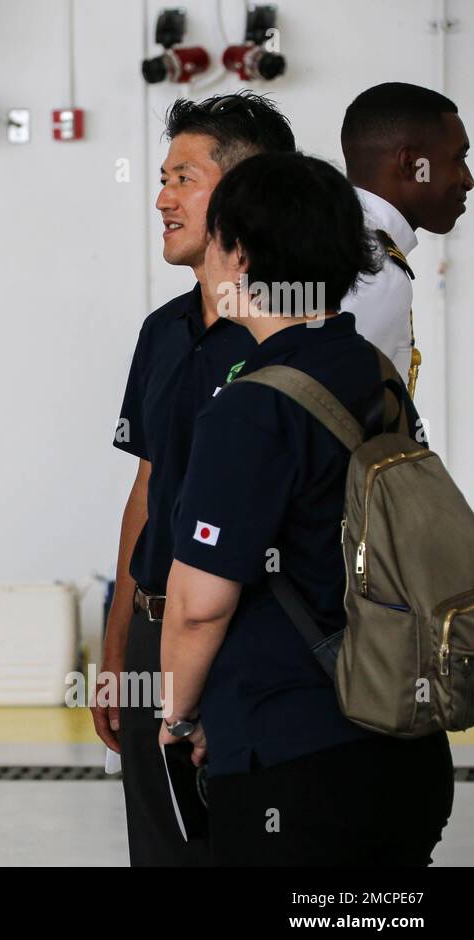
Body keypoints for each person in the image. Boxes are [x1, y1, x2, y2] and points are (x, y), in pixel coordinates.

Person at [159, 151, 454, 866]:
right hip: (404, 746)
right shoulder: (372, 373)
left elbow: (199, 605)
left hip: (292, 759)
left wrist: (179, 716)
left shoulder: (250, 409)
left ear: (240, 254)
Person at [97, 92, 295, 866]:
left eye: (185, 177)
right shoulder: (163, 333)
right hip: (155, 630)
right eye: (161, 176)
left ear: (248, 194)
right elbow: (147, 490)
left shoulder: (297, 338)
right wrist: (115, 650)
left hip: (252, 636)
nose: (161, 198)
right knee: (162, 848)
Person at [339, 82, 472, 395]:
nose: (468, 180)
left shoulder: (333, 234)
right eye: (458, 158)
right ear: (412, 165)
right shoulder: (372, 269)